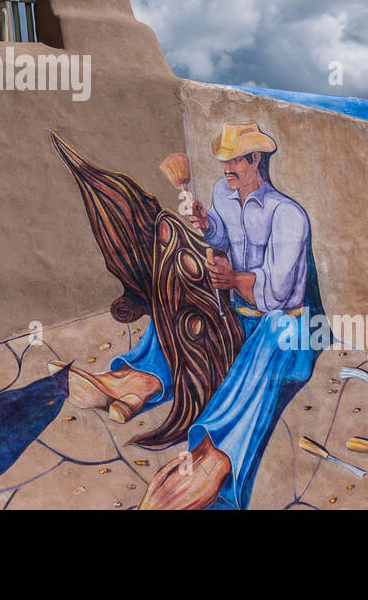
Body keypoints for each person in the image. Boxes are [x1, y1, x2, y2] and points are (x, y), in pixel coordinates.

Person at [57, 120, 319, 509]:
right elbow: (220, 240)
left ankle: (214, 458)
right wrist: (207, 224)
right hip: (239, 316)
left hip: (287, 330)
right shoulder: (222, 194)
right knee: (184, 287)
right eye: (223, 161)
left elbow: (278, 293)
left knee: (276, 328)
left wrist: (233, 279)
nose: (225, 168)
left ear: (256, 159)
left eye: (233, 161)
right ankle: (140, 380)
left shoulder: (289, 215)